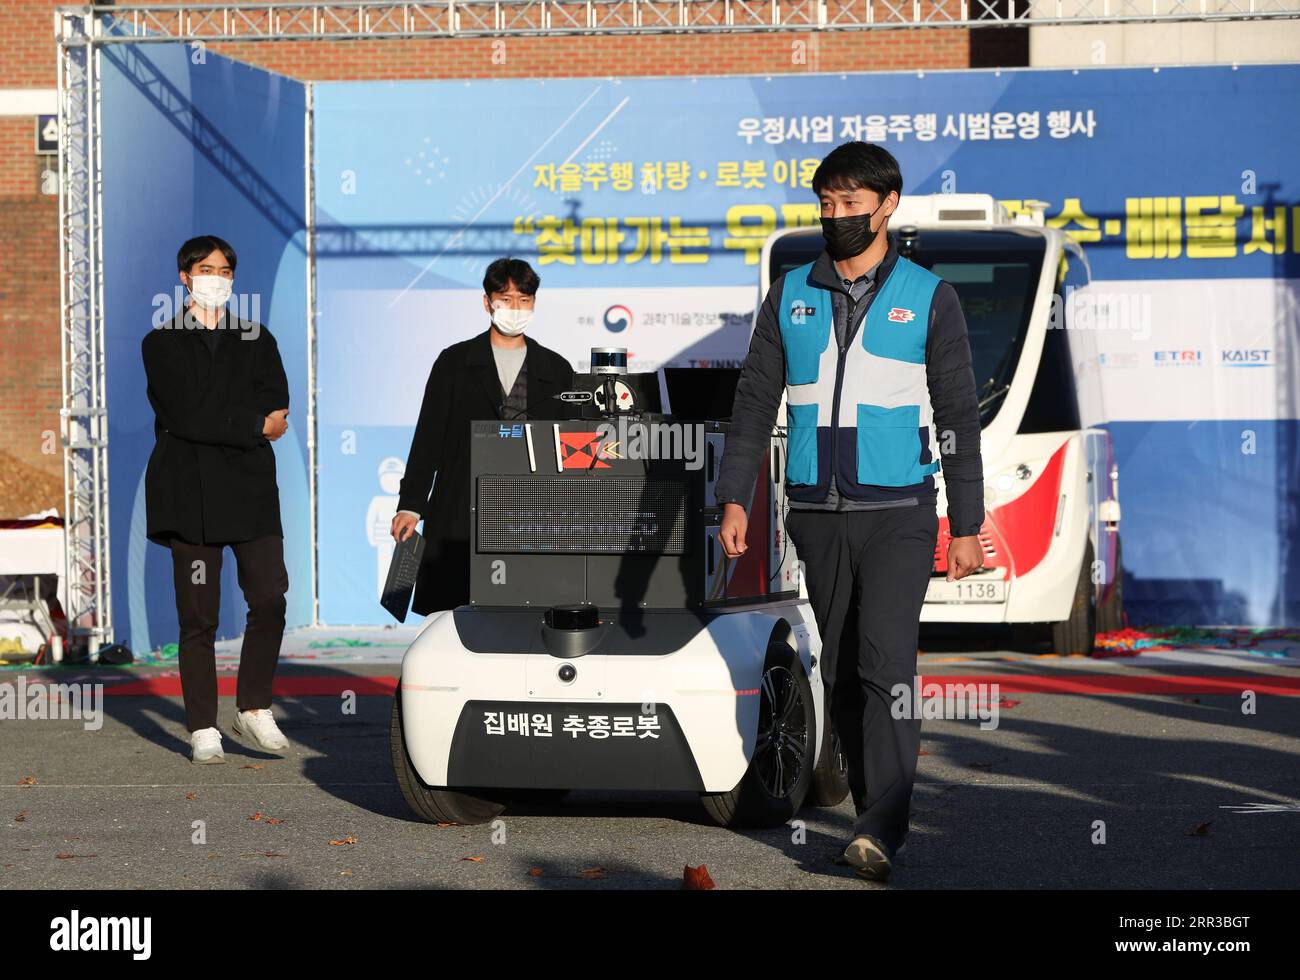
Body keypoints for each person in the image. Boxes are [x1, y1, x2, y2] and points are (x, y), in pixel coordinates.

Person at [714, 142, 986, 881]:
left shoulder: (931, 297)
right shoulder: (790, 295)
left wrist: (967, 522)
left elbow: (959, 414)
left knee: (883, 662)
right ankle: (874, 815)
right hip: (816, 511)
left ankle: (881, 826)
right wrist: (734, 495)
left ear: (887, 204)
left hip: (899, 508)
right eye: (826, 204)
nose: (836, 216)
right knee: (837, 669)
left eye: (850, 203)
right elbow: (752, 404)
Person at [142, 235, 292, 765]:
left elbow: (278, 410)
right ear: (185, 276)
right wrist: (247, 422)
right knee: (198, 617)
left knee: (270, 596)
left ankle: (252, 706)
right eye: (206, 269)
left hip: (249, 491)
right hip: (191, 497)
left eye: (225, 270)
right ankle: (203, 724)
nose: (217, 277)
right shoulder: (161, 343)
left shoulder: (256, 337)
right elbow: (185, 416)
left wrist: (235, 421)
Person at [391, 257, 575, 614]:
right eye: (505, 299)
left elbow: (569, 450)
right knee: (450, 620)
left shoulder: (556, 370)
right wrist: (411, 503)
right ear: (487, 301)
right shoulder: (455, 363)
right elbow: (428, 438)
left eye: (524, 299)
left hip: (532, 516)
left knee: (526, 620)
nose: (515, 308)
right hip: (461, 512)